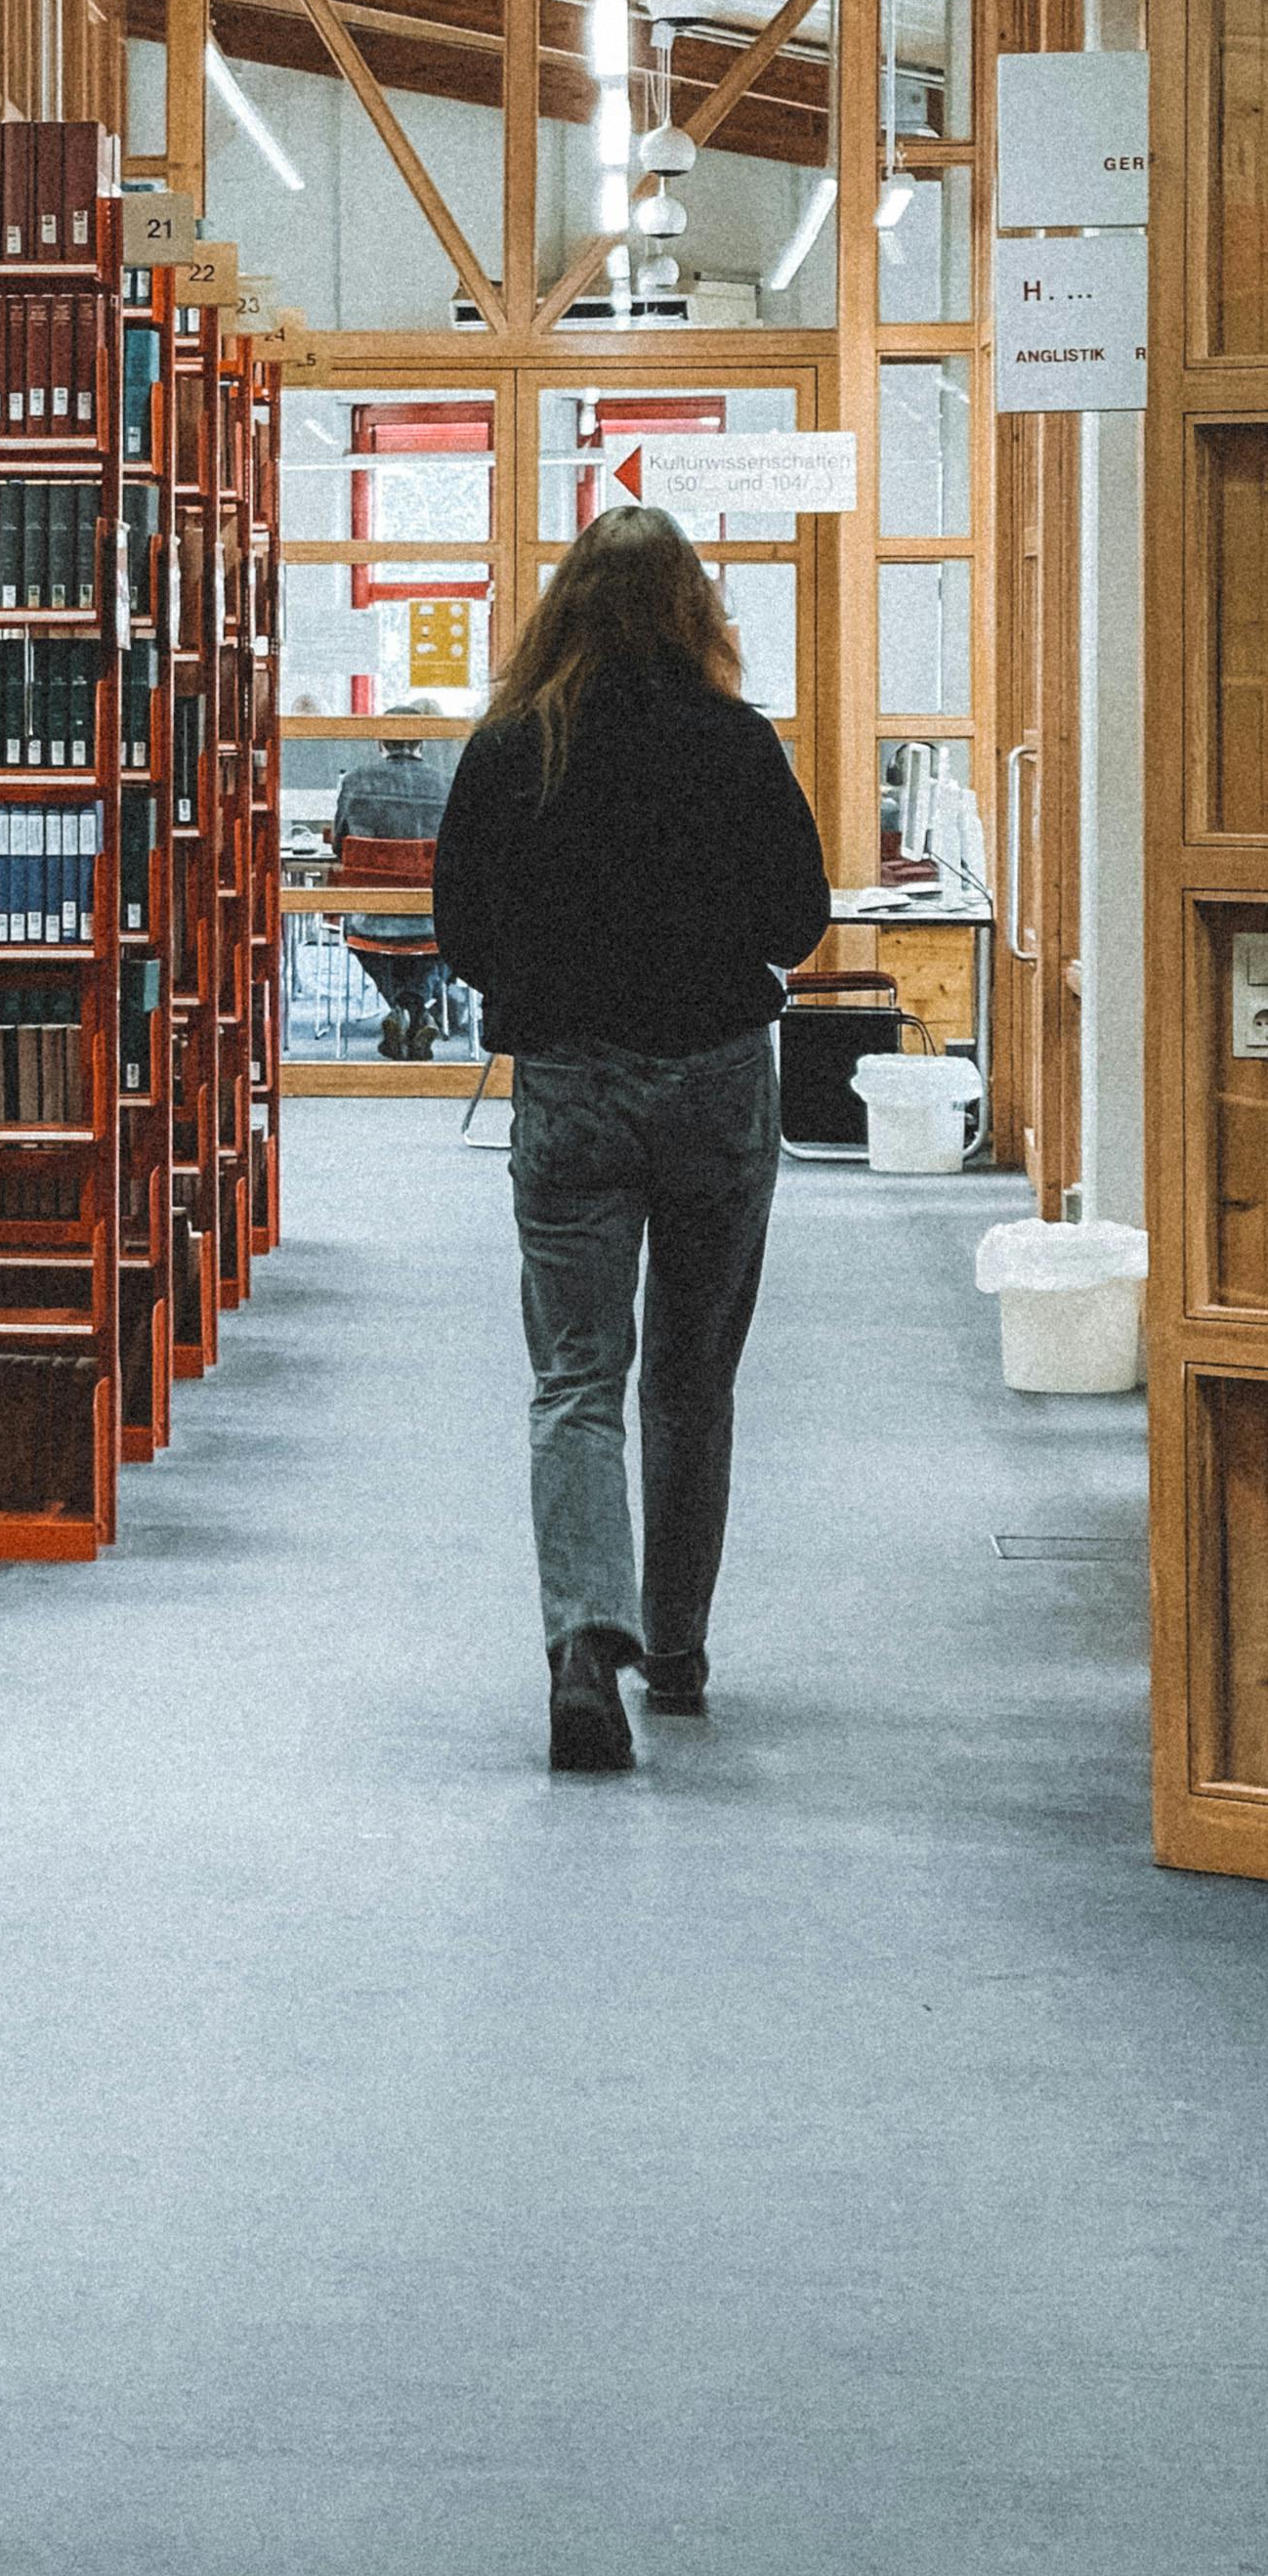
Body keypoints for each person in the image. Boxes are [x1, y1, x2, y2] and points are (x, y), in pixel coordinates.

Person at [432, 507, 829, 1777]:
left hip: (573, 1086)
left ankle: (579, 1651)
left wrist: (549, 991)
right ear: (693, 611)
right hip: (717, 1080)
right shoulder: (737, 741)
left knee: (576, 1378)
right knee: (693, 1378)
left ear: (562, 611)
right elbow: (800, 918)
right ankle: (680, 1648)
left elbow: (460, 930)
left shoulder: (510, 750)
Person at [328, 711, 452, 1060]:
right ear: (422, 742)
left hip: (371, 918)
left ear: (380, 741)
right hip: (433, 919)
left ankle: (402, 1007)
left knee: (371, 938)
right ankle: (414, 1005)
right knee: (451, 937)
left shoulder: (355, 782)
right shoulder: (446, 784)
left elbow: (340, 844)